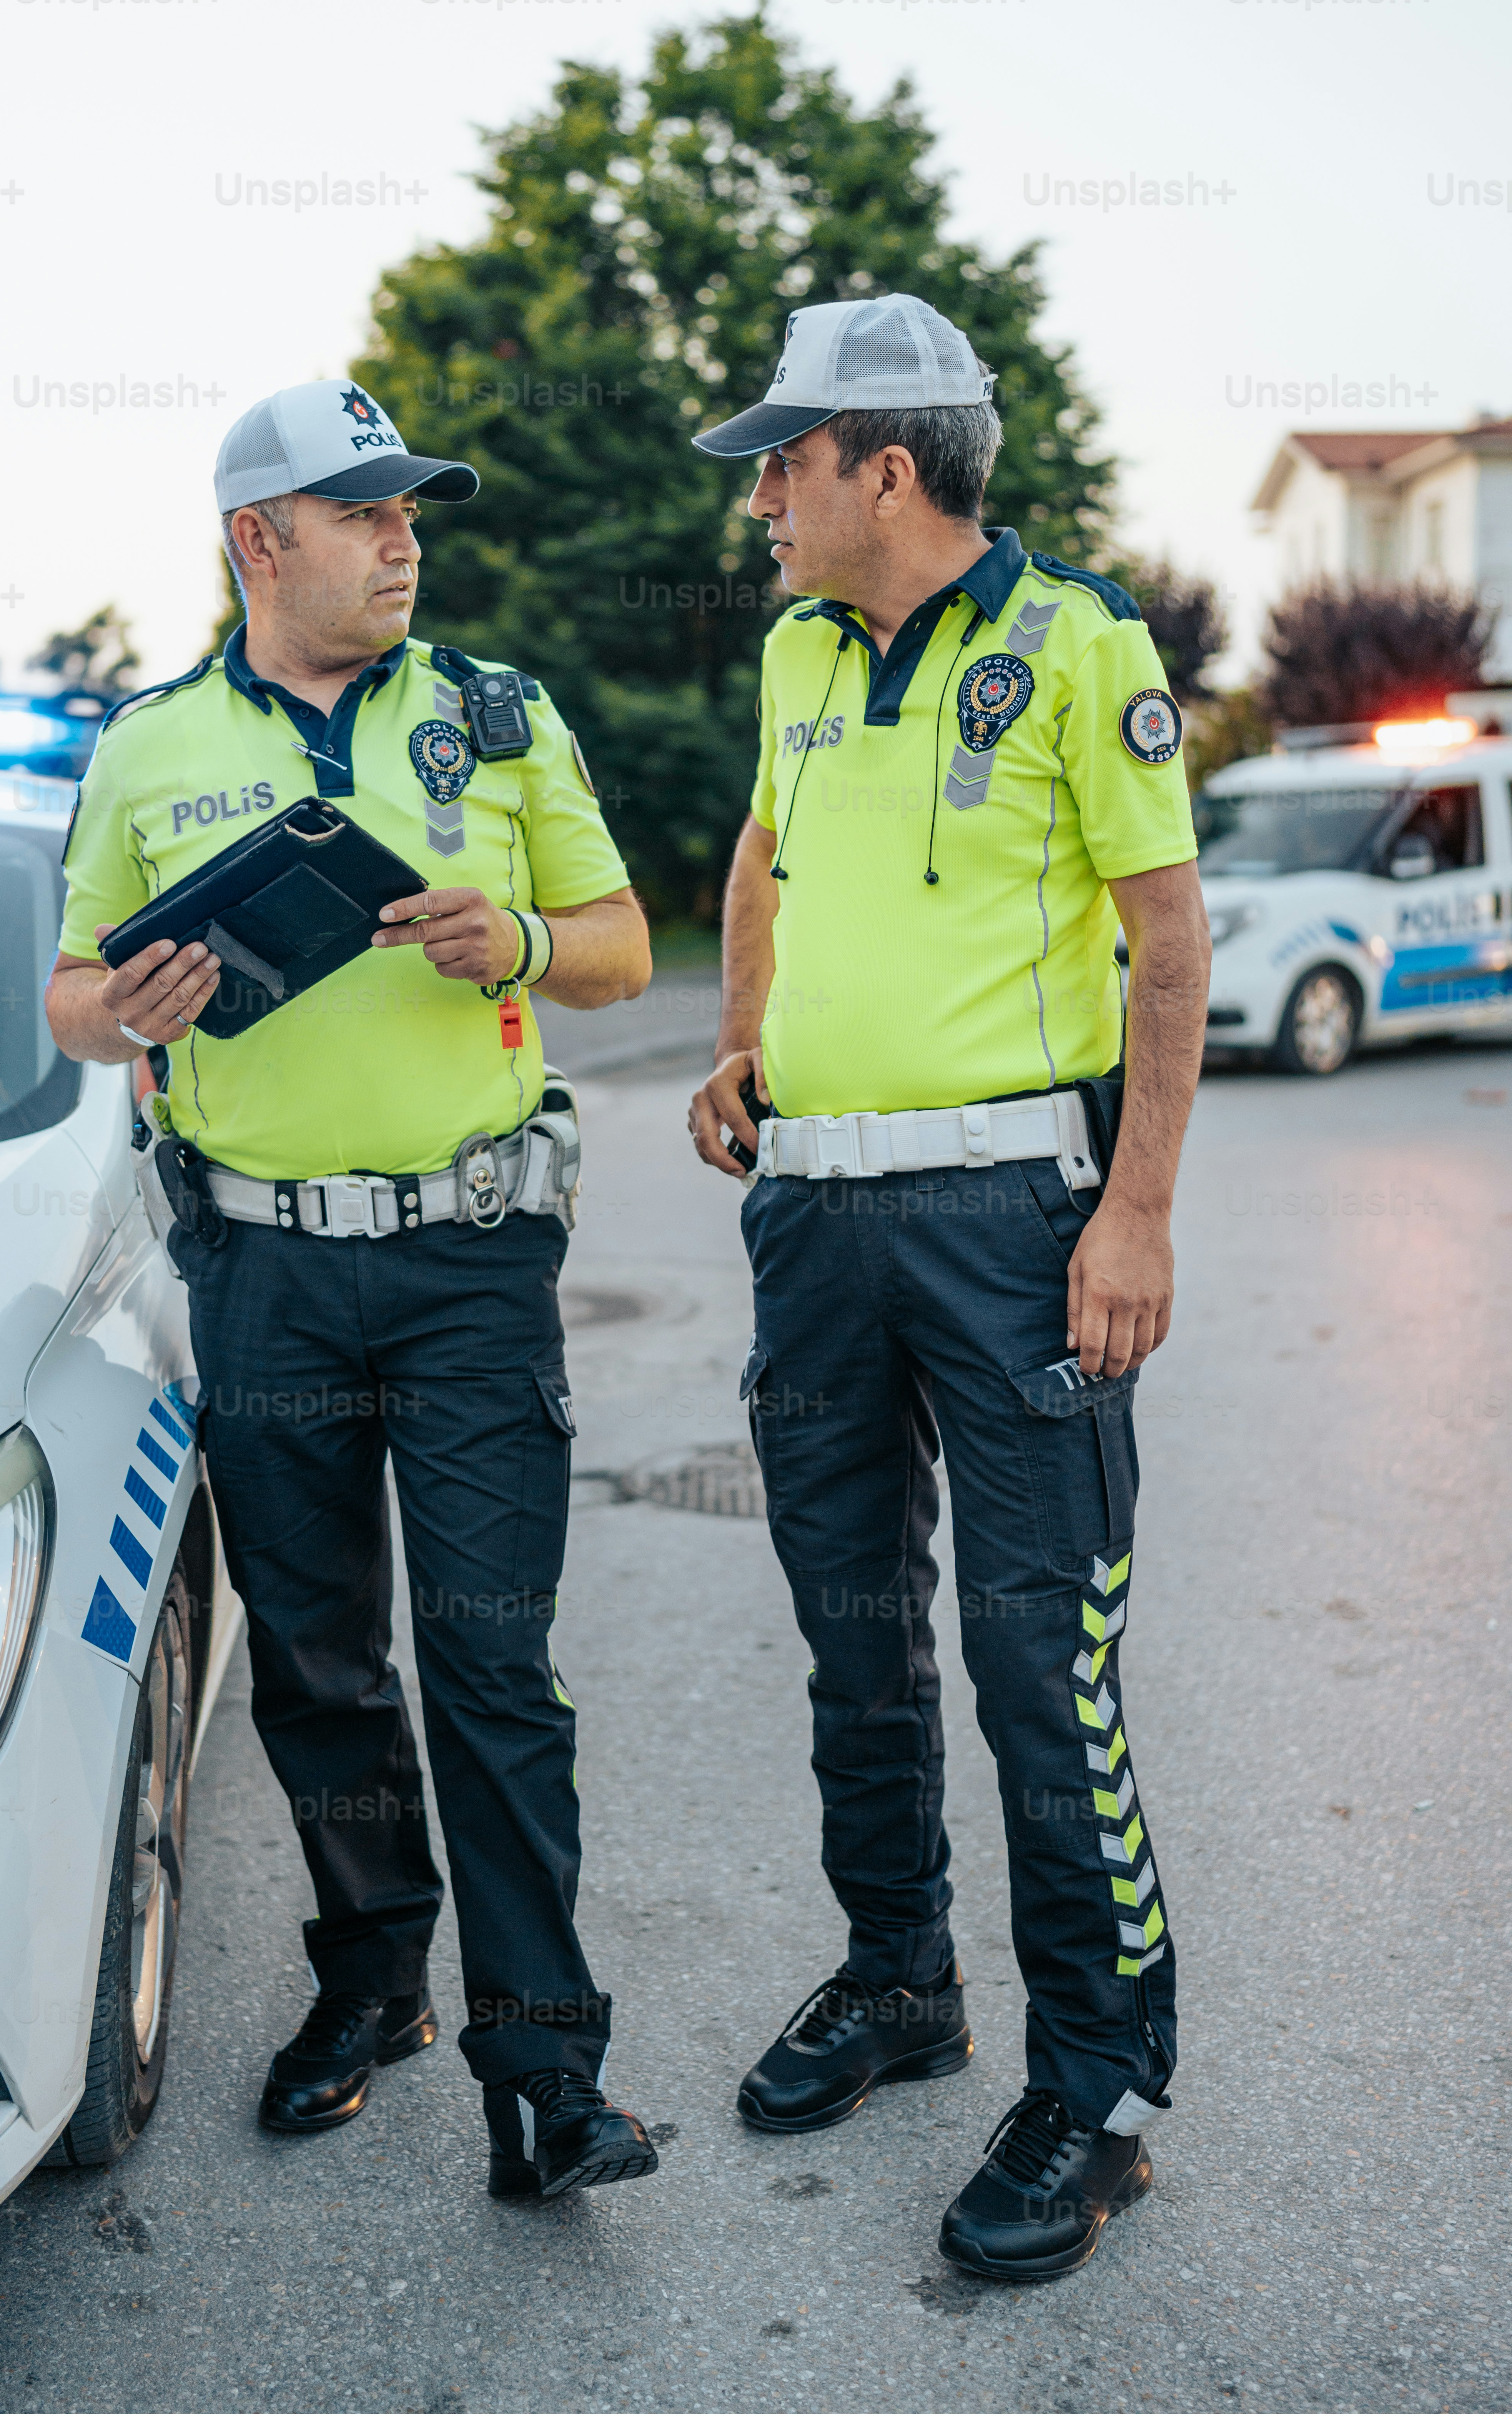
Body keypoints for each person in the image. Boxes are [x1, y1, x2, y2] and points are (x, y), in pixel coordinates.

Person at [46, 377, 659, 2202]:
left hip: (472, 1260)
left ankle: (547, 2073)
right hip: (260, 1270)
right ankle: (373, 1983)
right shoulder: (149, 744)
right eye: (362, 510)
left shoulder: (499, 713)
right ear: (259, 541)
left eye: (412, 511)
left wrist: (525, 938)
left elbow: (622, 952)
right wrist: (130, 1008)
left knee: (492, 1664)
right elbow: (72, 995)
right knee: (315, 1663)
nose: (404, 538)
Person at [685, 295, 1209, 2281]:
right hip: (813, 1227)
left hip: (1017, 1227)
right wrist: (741, 1037)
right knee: (853, 1634)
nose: (760, 499)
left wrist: (1136, 1214)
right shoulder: (801, 654)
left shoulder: (1080, 644)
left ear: (879, 468)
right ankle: (903, 1983)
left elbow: (1170, 947)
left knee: (1033, 1660)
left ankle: (1100, 2084)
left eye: (782, 461)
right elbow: (759, 859)